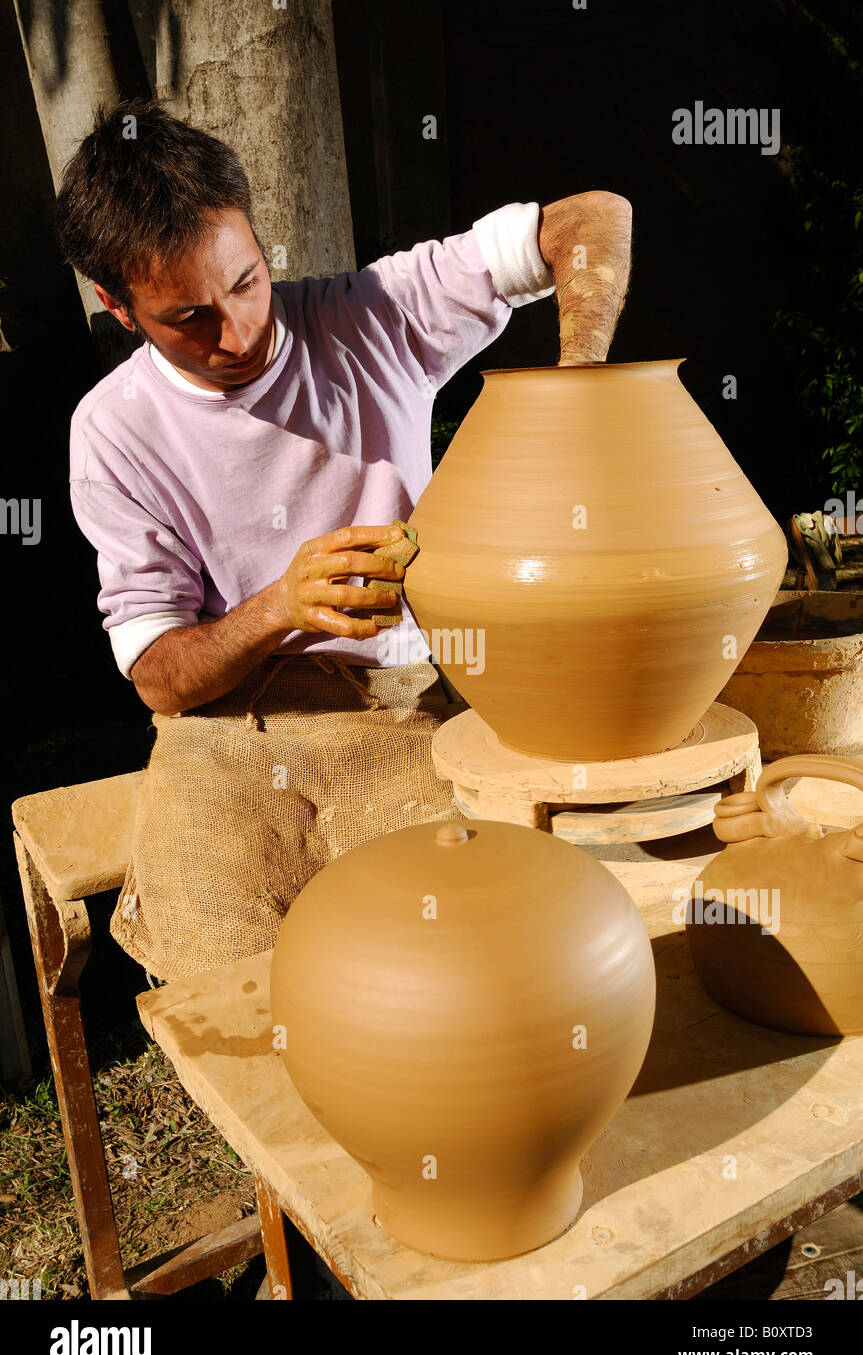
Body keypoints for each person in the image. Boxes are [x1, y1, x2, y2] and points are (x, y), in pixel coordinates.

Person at [55, 97, 632, 981]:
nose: (237, 331)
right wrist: (279, 607)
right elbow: (160, 679)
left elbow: (594, 217)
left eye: (245, 282)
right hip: (229, 724)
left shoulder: (372, 314)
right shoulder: (112, 431)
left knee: (457, 945)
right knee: (227, 971)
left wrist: (580, 387)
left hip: (402, 701)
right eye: (189, 319)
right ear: (120, 307)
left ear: (257, 237)